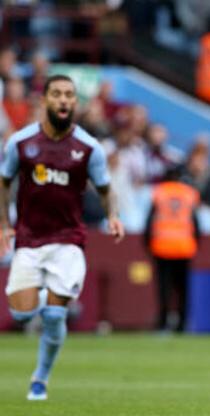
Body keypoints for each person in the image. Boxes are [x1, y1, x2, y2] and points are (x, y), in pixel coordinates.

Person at [0, 74, 125, 401]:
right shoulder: (21, 143)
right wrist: (4, 224)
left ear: (75, 102)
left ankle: (40, 378)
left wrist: (112, 215)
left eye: (69, 94)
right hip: (28, 239)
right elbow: (3, 181)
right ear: (45, 100)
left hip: (68, 241)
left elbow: (105, 189)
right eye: (57, 94)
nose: (64, 100)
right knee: (21, 314)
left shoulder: (88, 147)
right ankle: (45, 298)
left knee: (55, 317)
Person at [144, 170, 200, 332]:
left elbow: (150, 220)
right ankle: (183, 323)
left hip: (162, 246)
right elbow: (196, 223)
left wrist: (148, 244)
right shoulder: (189, 193)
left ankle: (163, 322)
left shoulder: (159, 192)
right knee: (183, 288)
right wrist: (195, 242)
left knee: (163, 289)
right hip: (184, 246)